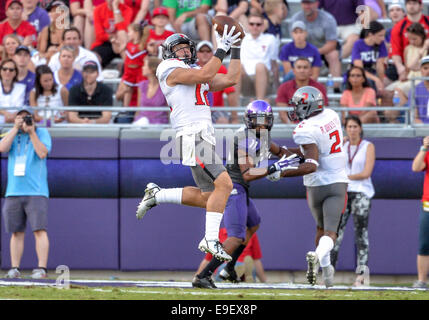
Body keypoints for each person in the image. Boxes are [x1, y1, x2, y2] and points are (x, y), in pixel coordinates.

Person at [136, 28, 242, 263]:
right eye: (178, 48)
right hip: (191, 135)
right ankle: (210, 239)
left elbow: (232, 78)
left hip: (203, 136)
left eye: (186, 48)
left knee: (209, 196)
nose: (183, 51)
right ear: (168, 54)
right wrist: (221, 47)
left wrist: (236, 48)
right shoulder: (167, 69)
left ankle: (158, 195)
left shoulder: (197, 70)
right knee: (224, 184)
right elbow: (205, 75)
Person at [192, 100, 299, 288]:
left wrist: (304, 155)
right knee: (235, 237)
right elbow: (247, 174)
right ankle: (204, 275)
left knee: (253, 224)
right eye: (257, 121)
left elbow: (280, 151)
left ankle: (229, 268)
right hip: (234, 187)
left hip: (241, 188)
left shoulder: (261, 135)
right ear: (249, 121)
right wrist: (273, 168)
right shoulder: (245, 139)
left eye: (265, 120)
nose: (261, 124)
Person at [267, 85, 348, 288]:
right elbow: (311, 154)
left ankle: (327, 274)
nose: (295, 108)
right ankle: (318, 258)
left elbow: (310, 163)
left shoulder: (304, 129)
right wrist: (279, 151)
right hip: (336, 182)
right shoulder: (331, 114)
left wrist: (282, 173)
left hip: (314, 187)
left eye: (298, 104)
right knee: (330, 233)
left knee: (321, 229)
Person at [0, 107, 52, 279]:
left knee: (39, 230)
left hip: (36, 191)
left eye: (27, 118)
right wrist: (15, 128)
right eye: (20, 118)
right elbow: (2, 148)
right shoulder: (13, 135)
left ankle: (41, 268)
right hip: (13, 191)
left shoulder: (41, 132)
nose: (24, 121)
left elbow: (42, 153)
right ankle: (15, 268)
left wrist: (31, 132)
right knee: (16, 232)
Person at [330, 115, 375, 287]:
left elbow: (366, 173)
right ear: (345, 129)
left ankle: (361, 275)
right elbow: (333, 163)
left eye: (355, 126)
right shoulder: (343, 146)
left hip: (362, 192)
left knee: (360, 233)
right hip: (344, 193)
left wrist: (345, 176)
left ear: (360, 128)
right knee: (336, 234)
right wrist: (341, 143)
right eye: (349, 127)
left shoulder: (368, 146)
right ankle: (329, 272)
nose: (352, 130)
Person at [290, 0, 341, 92]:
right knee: (289, 54)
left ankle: (335, 88)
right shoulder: (295, 18)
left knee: (333, 55)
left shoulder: (328, 19)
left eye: (310, 3)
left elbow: (332, 43)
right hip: (302, 50)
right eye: (305, 3)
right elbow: (295, 41)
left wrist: (314, 52)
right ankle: (292, 88)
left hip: (322, 50)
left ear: (317, 3)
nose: (307, 6)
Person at [195, 228, 267, 283]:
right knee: (248, 267)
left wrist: (197, 276)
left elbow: (208, 260)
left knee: (223, 269)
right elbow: (256, 260)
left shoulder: (249, 234)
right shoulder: (249, 233)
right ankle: (246, 276)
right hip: (241, 263)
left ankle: (228, 277)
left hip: (226, 265)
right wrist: (264, 281)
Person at [238, 12, 279, 101]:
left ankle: (259, 104)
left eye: (258, 24)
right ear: (248, 25)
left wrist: (277, 86)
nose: (255, 26)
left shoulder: (270, 39)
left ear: (263, 26)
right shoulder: (242, 39)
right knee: (237, 67)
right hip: (246, 78)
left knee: (259, 66)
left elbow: (274, 64)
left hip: (265, 77)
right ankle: (234, 112)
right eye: (252, 24)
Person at [196, 40, 239, 124]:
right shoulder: (191, 68)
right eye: (202, 51)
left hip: (215, 110)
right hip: (196, 109)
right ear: (197, 53)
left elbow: (230, 92)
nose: (205, 53)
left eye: (208, 51)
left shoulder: (220, 68)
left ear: (212, 54)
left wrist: (235, 118)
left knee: (222, 121)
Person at [276, 57, 328, 123]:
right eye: (299, 67)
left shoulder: (319, 87)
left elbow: (323, 110)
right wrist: (292, 127)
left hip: (314, 127)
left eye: (305, 67)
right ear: (293, 70)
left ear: (310, 71)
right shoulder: (284, 87)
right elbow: (282, 112)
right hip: (291, 128)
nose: (302, 70)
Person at [391, 0, 429, 84]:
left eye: (414, 3)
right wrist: (400, 68)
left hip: (425, 65)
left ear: (421, 5)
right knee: (389, 90)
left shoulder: (427, 21)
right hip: (407, 65)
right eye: (409, 3)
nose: (411, 6)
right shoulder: (398, 27)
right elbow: (396, 52)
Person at [116, 22, 150, 109]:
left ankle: (139, 111)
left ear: (136, 33)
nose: (128, 34)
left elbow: (151, 52)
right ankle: (125, 110)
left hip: (139, 73)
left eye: (129, 32)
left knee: (140, 92)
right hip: (129, 72)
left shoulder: (143, 45)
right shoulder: (128, 44)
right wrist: (117, 44)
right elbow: (120, 52)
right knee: (127, 90)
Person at [91, 0, 133, 68]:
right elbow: (99, 35)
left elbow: (123, 29)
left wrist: (116, 9)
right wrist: (112, 38)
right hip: (105, 42)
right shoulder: (98, 10)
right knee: (94, 59)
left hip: (122, 43)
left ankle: (128, 70)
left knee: (122, 36)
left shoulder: (127, 10)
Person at [411, 135, 429, 289]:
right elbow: (416, 167)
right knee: (424, 245)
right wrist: (424, 148)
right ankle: (422, 280)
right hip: (428, 205)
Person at [133, 56, 168, 125]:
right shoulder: (141, 86)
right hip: (141, 122)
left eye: (144, 65)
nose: (142, 68)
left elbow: (168, 110)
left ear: (151, 69)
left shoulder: (164, 87)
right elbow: (138, 108)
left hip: (159, 123)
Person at [0, 59, 26, 123]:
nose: (7, 72)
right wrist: (5, 113)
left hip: (16, 121)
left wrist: (12, 116)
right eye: (4, 69)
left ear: (15, 73)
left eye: (11, 70)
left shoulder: (22, 87)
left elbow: (21, 107)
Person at [406, 55, 429, 124]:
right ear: (421, 70)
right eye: (425, 68)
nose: (428, 71)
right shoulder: (414, 90)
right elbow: (414, 118)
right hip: (421, 130)